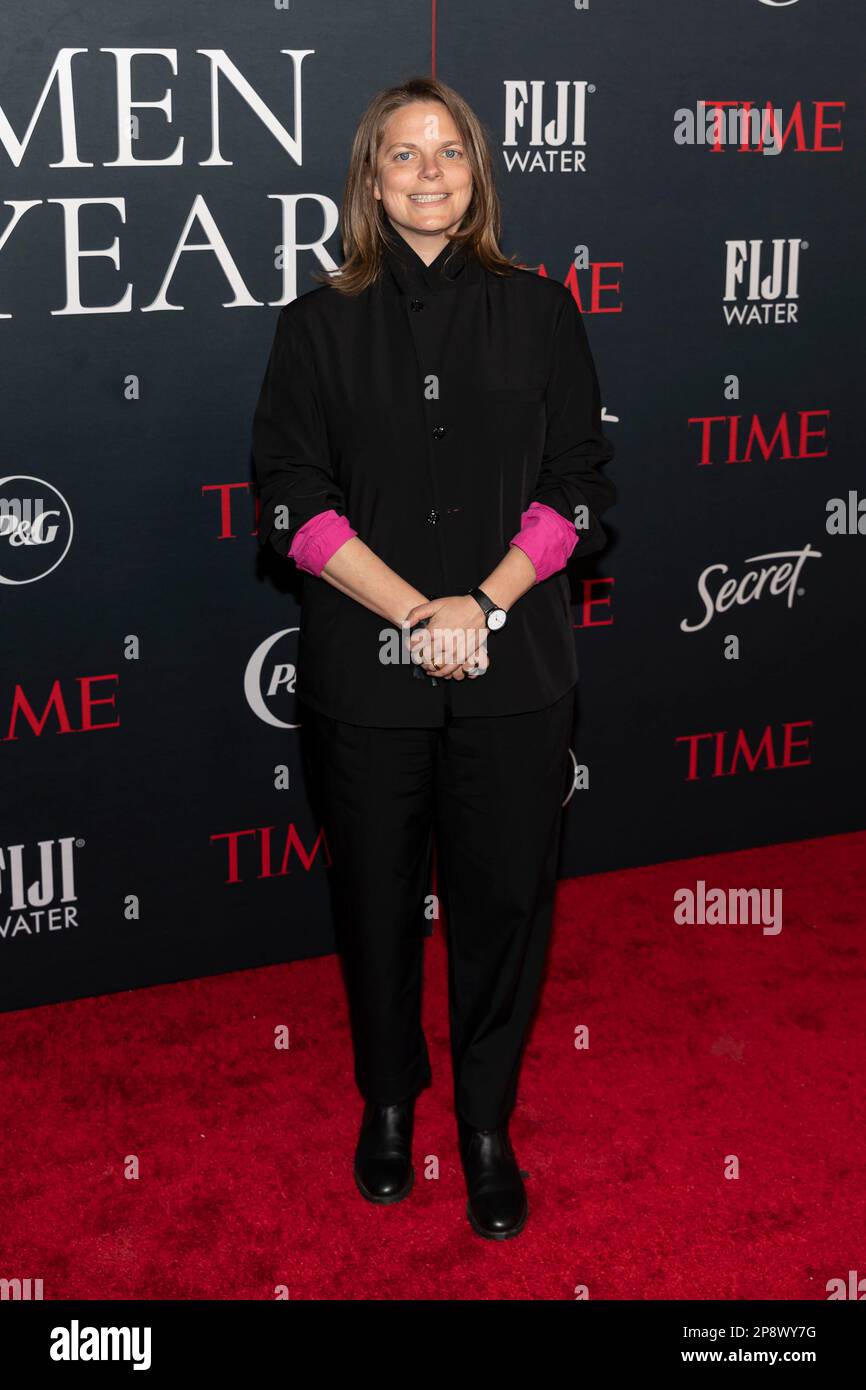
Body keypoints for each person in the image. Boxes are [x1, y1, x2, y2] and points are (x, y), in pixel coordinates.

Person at [251, 75, 616, 1240]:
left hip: (516, 675)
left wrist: (484, 602)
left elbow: (580, 494)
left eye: (447, 152)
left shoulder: (543, 310)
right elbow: (291, 507)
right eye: (401, 155)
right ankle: (390, 1104)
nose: (426, 173)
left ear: (477, 173)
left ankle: (486, 1123)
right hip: (366, 676)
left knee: (504, 905)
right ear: (368, 177)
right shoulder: (315, 325)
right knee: (371, 903)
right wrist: (418, 612)